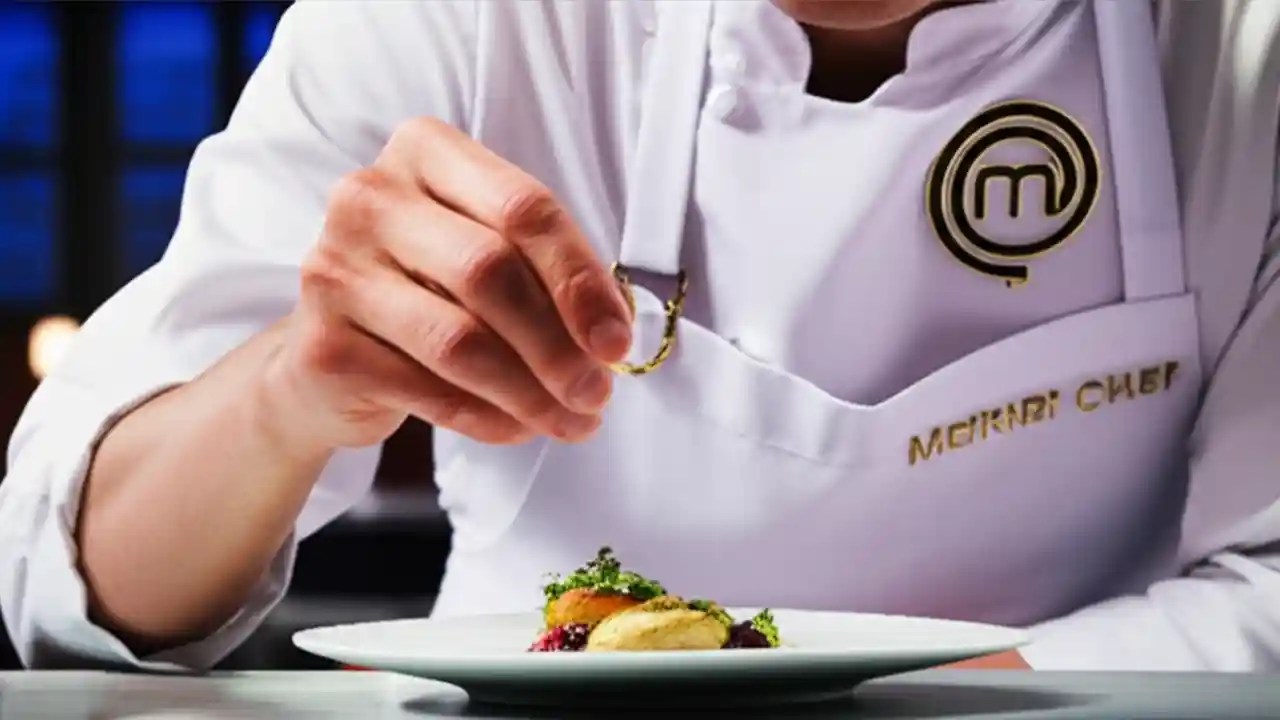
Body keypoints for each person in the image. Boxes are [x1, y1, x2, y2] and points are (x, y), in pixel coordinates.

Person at [2, 0, 1278, 672]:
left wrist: (826, 693)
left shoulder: (1244, 48)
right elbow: (83, 592)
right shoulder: (453, 20)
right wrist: (287, 391)